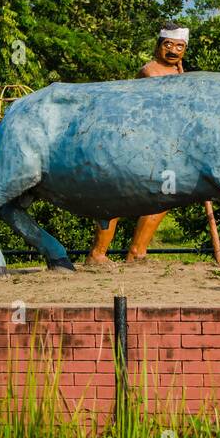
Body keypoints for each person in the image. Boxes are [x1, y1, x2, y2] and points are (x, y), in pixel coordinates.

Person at [86, 24, 189, 263]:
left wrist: (182, 77)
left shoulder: (177, 73)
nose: (174, 50)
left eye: (180, 46)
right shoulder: (150, 71)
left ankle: (137, 251)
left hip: (161, 147)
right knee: (116, 198)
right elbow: (167, 106)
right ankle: (97, 253)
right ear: (158, 46)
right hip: (136, 145)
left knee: (162, 198)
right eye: (169, 45)